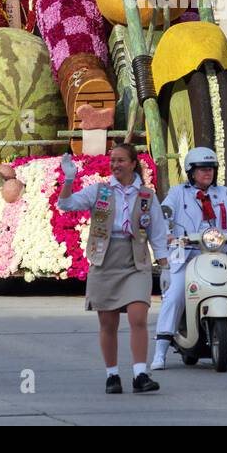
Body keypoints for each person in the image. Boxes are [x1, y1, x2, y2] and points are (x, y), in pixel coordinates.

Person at [56, 143, 167, 394]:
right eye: (112, 160)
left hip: (135, 259)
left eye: (120, 160)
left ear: (132, 163)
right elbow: (66, 204)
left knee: (139, 317)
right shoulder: (100, 191)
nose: (115, 165)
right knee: (108, 323)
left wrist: (166, 267)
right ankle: (112, 375)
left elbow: (158, 233)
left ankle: (140, 374)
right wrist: (69, 179)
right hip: (105, 259)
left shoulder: (147, 196)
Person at [152, 147, 227, 372]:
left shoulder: (223, 193)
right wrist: (168, 231)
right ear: (190, 172)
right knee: (176, 294)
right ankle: (159, 352)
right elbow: (166, 213)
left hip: (218, 255)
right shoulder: (178, 192)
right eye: (201, 169)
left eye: (210, 169)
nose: (207, 173)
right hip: (188, 256)